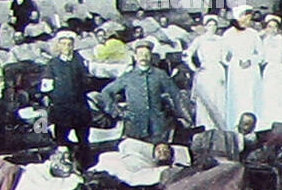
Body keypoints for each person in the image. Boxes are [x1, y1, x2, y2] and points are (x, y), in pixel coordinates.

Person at [100, 39, 183, 144]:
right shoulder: (128, 76)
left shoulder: (160, 74)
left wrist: (176, 114)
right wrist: (117, 112)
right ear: (135, 56)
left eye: (146, 54)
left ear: (151, 56)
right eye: (140, 54)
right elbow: (106, 92)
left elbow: (176, 94)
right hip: (135, 125)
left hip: (157, 125)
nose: (143, 57)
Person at [42, 30, 94, 168]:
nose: (66, 47)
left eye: (69, 44)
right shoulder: (52, 64)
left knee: (83, 140)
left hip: (80, 107)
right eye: (63, 44)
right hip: (62, 109)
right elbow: (46, 87)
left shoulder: (79, 62)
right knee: (61, 141)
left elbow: (87, 81)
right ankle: (64, 166)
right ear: (59, 46)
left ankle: (86, 166)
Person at [185, 15, 229, 130]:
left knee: (219, 98)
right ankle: (204, 125)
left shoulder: (221, 40)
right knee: (205, 98)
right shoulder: (200, 39)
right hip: (205, 70)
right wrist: (194, 67)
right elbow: (187, 54)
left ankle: (219, 126)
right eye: (209, 25)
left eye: (214, 25)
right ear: (205, 26)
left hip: (218, 70)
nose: (212, 27)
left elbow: (225, 58)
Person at [222, 5, 262, 128]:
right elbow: (223, 55)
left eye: (249, 20)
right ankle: (235, 124)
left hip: (252, 69)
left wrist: (251, 61)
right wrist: (234, 61)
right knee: (237, 97)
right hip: (236, 70)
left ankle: (254, 126)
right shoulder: (228, 34)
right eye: (245, 19)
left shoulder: (254, 34)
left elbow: (261, 53)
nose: (247, 22)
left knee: (251, 96)